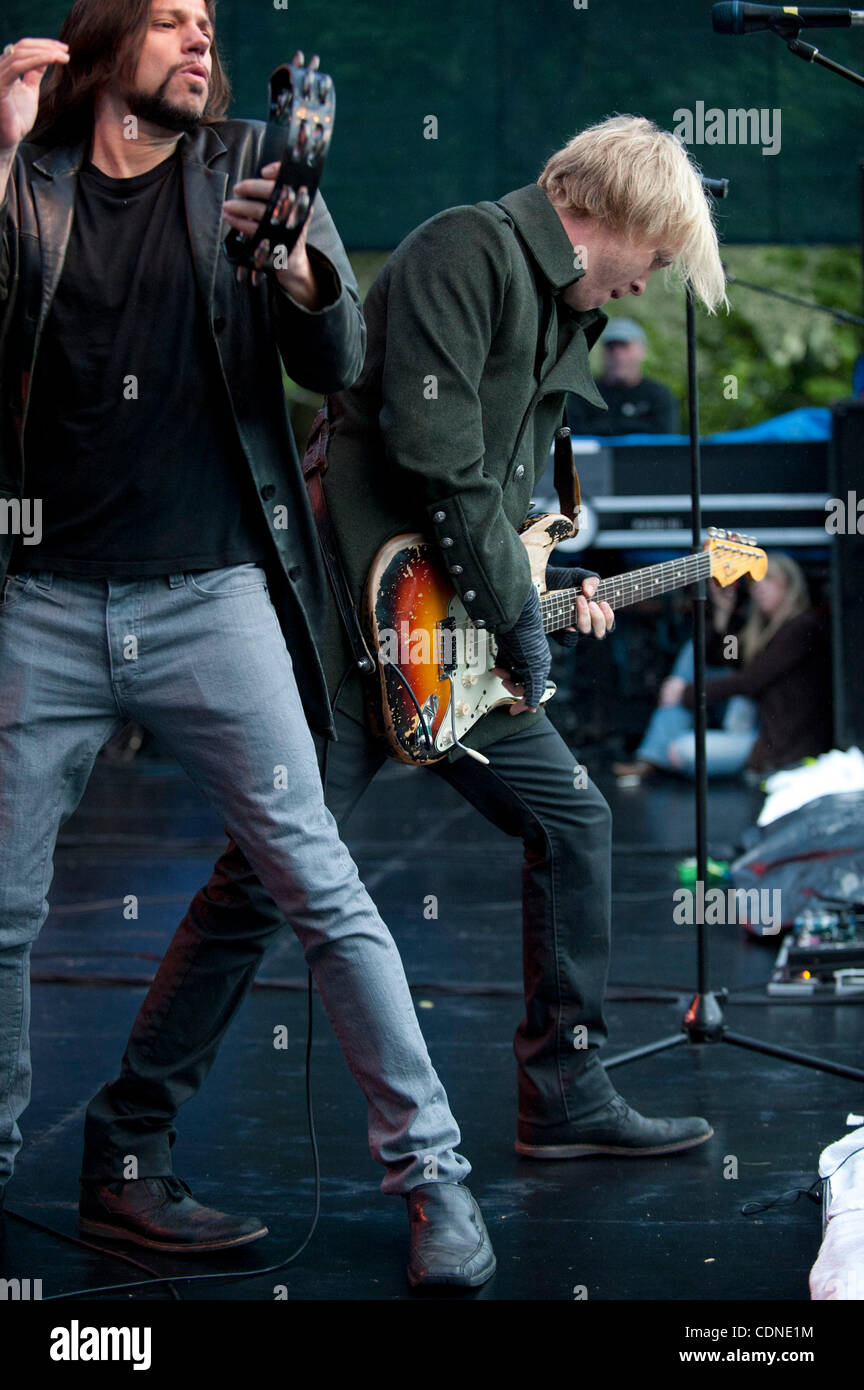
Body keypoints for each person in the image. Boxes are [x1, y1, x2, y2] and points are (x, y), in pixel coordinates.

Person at [81, 114, 729, 1187]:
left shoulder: (562, 322)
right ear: (620, 215)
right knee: (264, 881)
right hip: (349, 630)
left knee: (573, 820)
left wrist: (544, 593)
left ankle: (565, 1092)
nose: (649, 286)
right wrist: (520, 611)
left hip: (451, 643)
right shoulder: (464, 250)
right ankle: (129, 1136)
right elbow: (438, 462)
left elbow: (496, 519)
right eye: (657, 259)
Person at [0, 1, 496, 1289]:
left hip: (211, 596)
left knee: (321, 886)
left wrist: (297, 270)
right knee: (0, 915)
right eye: (166, 19)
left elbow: (342, 361)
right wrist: (0, 157)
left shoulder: (252, 170)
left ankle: (436, 1180)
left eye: (207, 20)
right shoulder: (32, 179)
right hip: (38, 601)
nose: (197, 38)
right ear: (102, 46)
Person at [656, 553, 833, 777]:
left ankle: (653, 755)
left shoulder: (801, 628)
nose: (759, 586)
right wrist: (723, 611)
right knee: (692, 651)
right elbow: (724, 657)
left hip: (775, 743)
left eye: (768, 578)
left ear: (789, 584)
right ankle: (652, 755)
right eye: (754, 580)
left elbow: (749, 681)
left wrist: (685, 694)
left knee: (681, 750)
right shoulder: (758, 632)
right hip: (747, 725)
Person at [613, 579, 753, 782]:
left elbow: (732, 665)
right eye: (716, 583)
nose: (722, 588)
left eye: (729, 584)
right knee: (691, 655)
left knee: (706, 671)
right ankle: (649, 759)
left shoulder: (750, 617)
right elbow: (712, 652)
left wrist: (686, 691)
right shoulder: (706, 615)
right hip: (707, 693)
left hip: (735, 703)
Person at [566, 316, 680, 436]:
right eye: (611, 347)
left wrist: (607, 428)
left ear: (642, 351)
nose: (617, 354)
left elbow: (665, 438)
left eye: (624, 346)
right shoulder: (585, 395)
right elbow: (575, 436)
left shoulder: (659, 395)